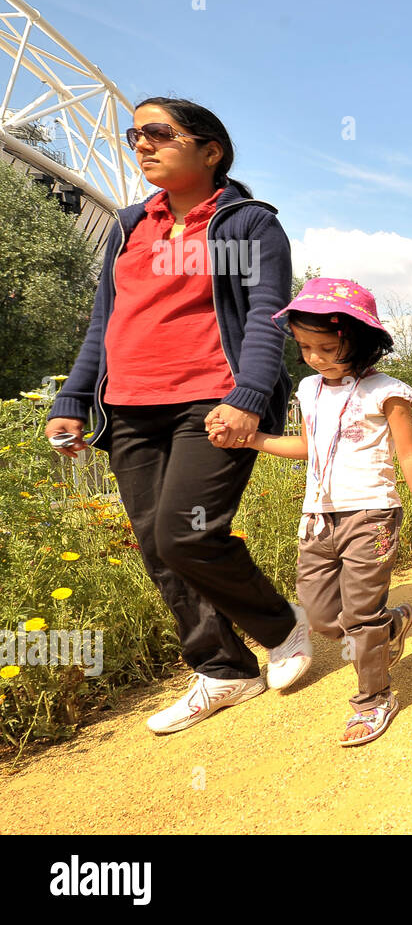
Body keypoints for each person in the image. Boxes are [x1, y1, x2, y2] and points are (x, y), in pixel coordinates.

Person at [43, 96, 312, 734]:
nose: (141, 144)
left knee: (186, 534)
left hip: (210, 402)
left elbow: (270, 314)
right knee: (156, 546)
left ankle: (282, 625)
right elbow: (104, 322)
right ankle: (224, 670)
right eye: (135, 134)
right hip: (130, 406)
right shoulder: (131, 224)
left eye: (159, 133)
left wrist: (248, 397)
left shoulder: (246, 225)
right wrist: (73, 398)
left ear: (210, 150)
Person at [220, 277, 412, 746]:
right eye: (305, 347)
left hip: (372, 516)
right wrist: (255, 439)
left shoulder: (388, 391)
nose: (315, 357)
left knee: (359, 617)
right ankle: (393, 625)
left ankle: (374, 698)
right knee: (321, 617)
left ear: (357, 343)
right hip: (318, 518)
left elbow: (409, 457)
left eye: (326, 347)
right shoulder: (308, 389)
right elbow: (309, 446)